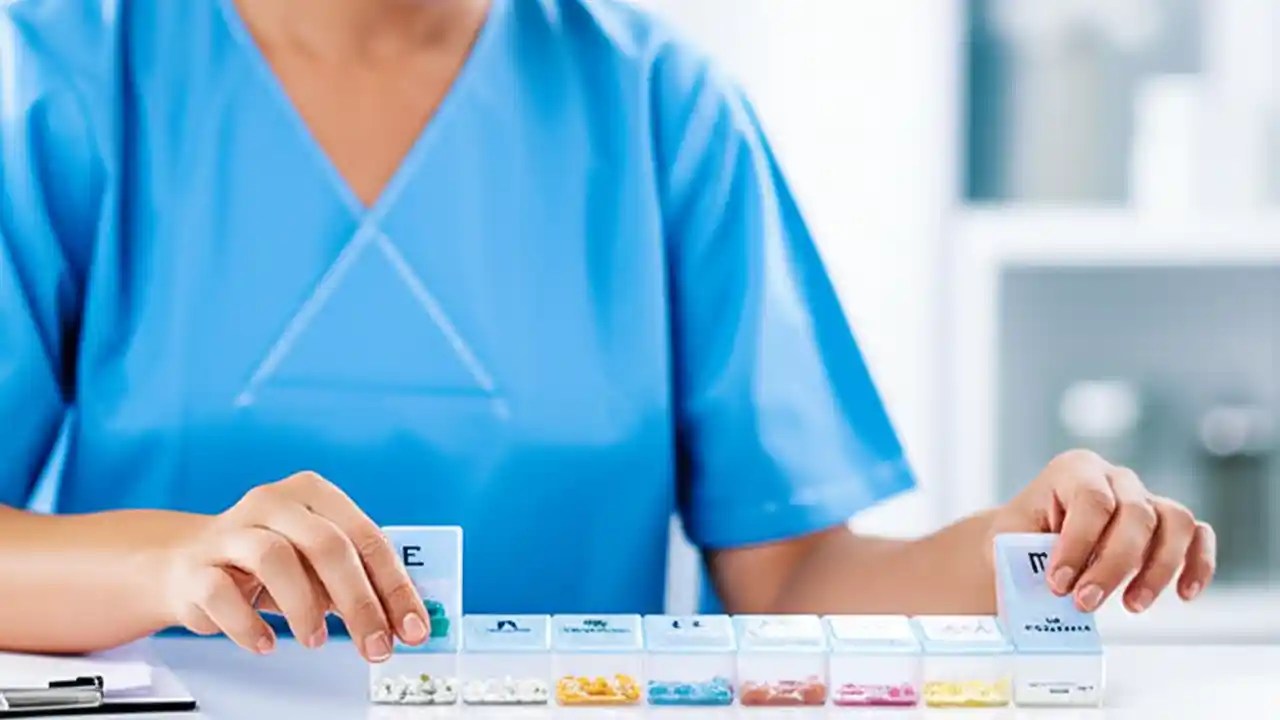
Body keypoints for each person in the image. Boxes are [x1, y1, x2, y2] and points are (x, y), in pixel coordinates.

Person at [0, 0, 1215, 663]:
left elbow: (792, 585)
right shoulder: (62, 73)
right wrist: (165, 564)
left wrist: (1016, 549)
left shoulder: (656, 102)